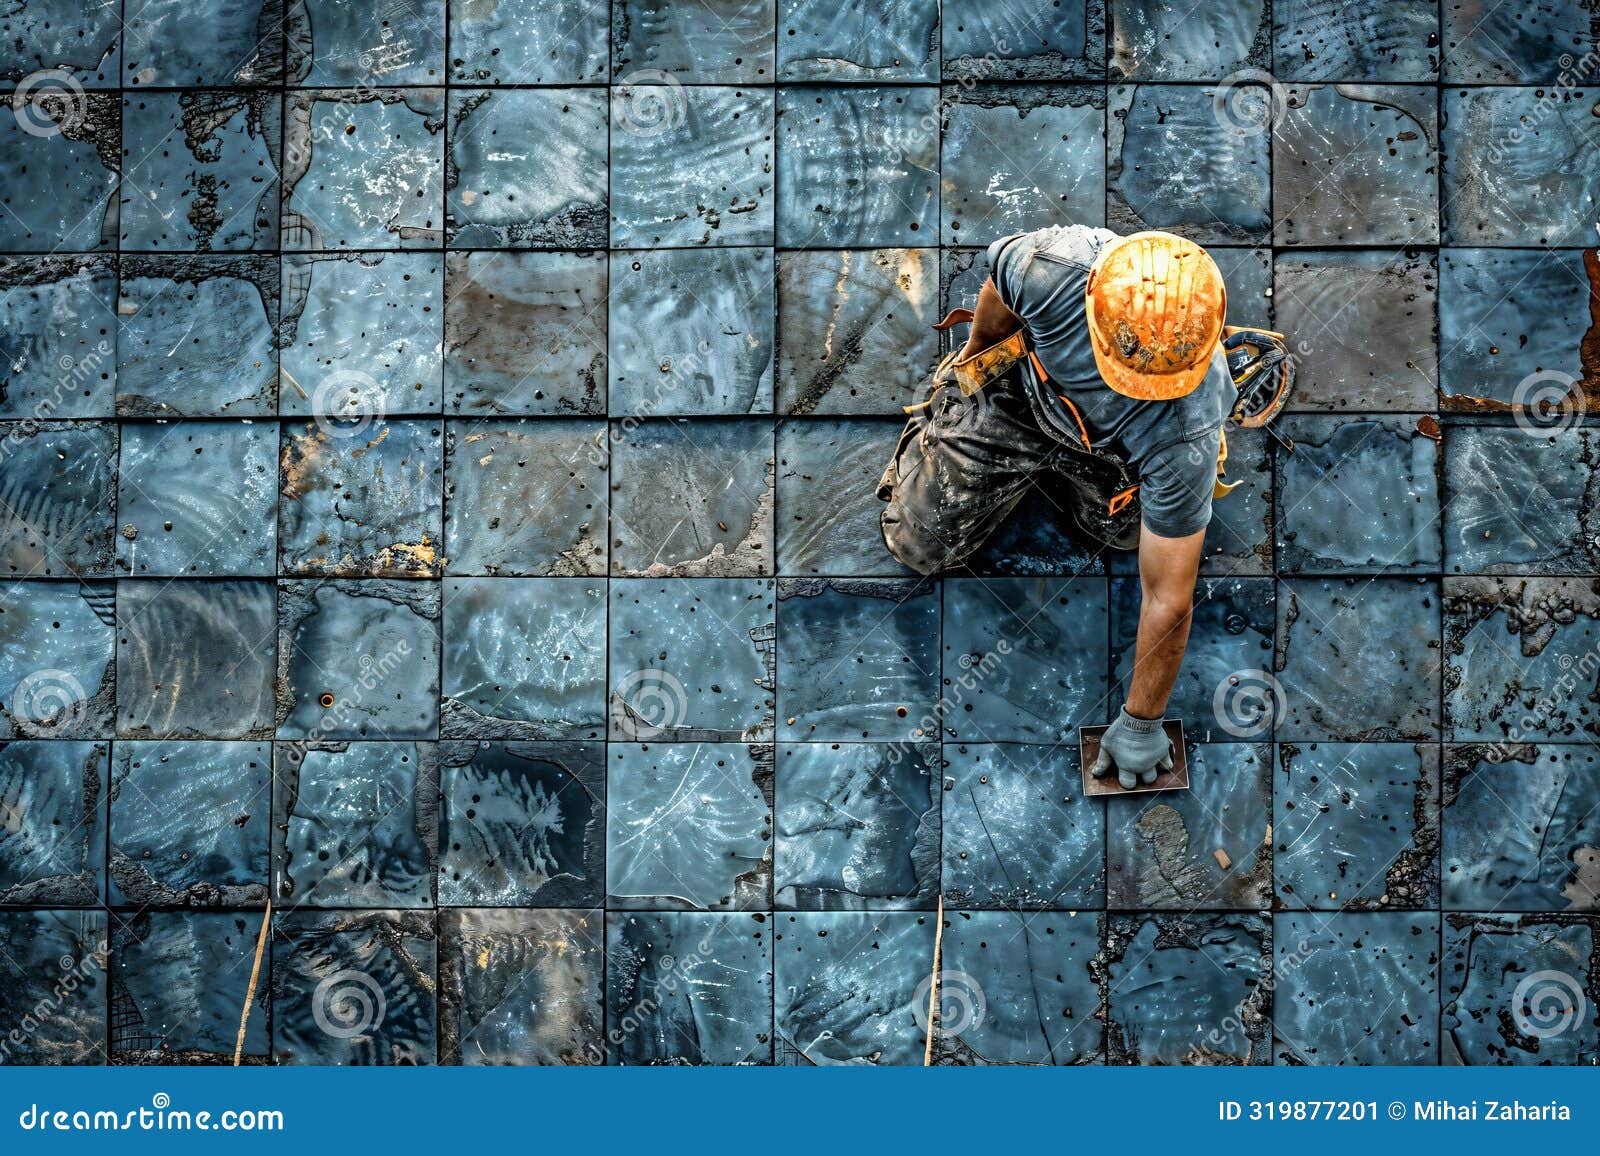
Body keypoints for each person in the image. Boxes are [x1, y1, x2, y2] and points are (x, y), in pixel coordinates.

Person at [878, 227, 1252, 789]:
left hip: (1112, 452)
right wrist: (977, 365)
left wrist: (1142, 722)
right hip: (1025, 398)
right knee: (919, 543)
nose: (1132, 388)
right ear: (1096, 304)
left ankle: (1081, 478)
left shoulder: (1184, 433)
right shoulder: (1050, 267)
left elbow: (1167, 594)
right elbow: (997, 295)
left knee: (1127, 534)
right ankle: (955, 424)